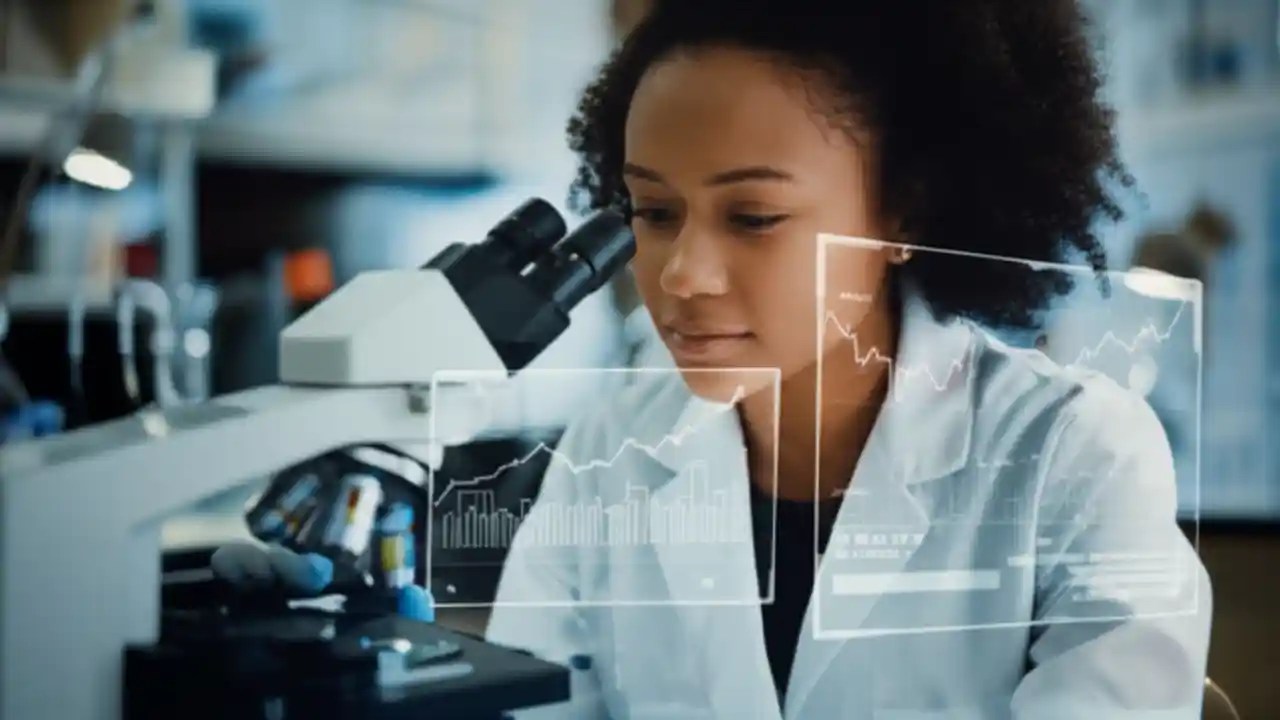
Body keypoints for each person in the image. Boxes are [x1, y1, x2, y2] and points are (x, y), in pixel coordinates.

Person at [482, 1, 1212, 718]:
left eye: (753, 218)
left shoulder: (1075, 456)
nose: (682, 274)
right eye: (655, 212)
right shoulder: (611, 446)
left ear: (903, 211)